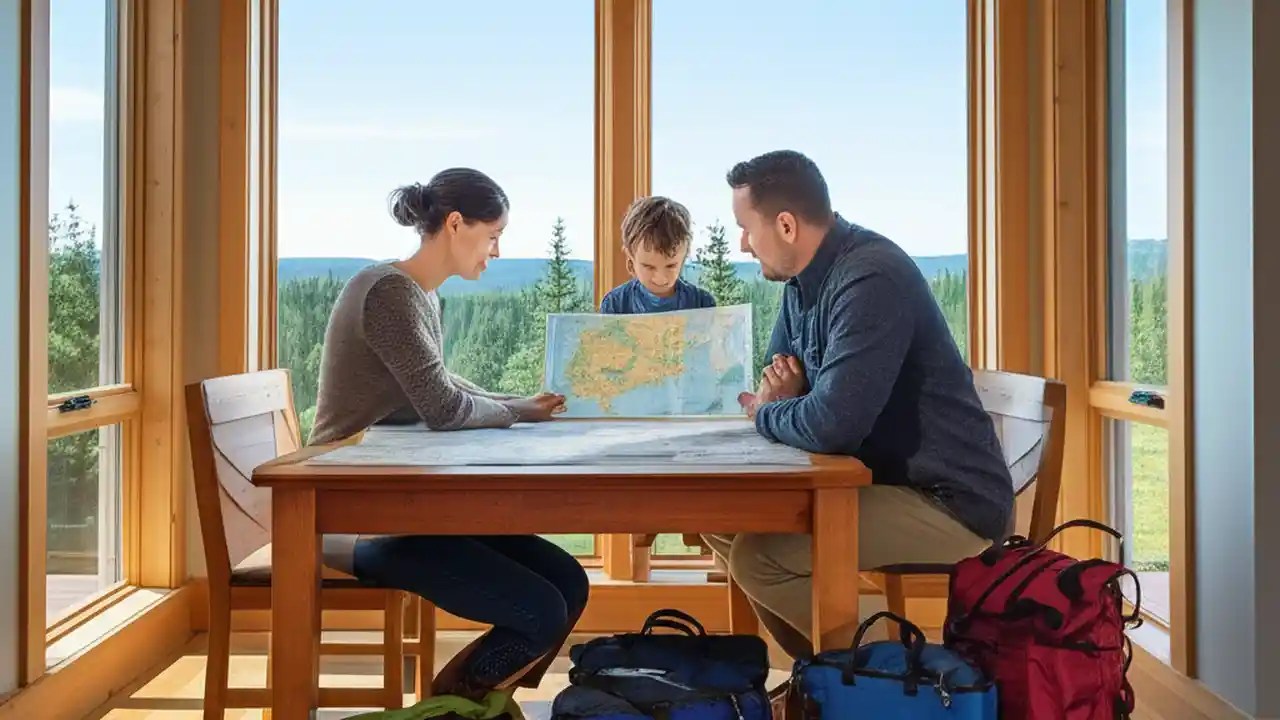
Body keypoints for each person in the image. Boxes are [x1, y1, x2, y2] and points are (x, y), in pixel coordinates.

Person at [702, 150, 1014, 660]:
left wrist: (767, 413)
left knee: (761, 558)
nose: (741, 243)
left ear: (784, 225)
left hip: (947, 503)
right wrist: (790, 401)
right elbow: (776, 377)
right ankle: (825, 682)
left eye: (745, 227)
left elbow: (830, 426)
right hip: (878, 482)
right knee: (721, 515)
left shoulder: (871, 279)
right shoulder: (801, 281)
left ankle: (897, 683)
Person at [309, 168, 589, 697]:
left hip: (404, 504)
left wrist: (519, 405)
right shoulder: (389, 294)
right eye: (493, 236)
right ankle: (447, 709)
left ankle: (480, 705)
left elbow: (447, 384)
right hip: (356, 518)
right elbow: (442, 406)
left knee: (569, 582)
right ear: (456, 225)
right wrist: (518, 413)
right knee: (541, 610)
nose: (497, 252)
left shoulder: (417, 294)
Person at [599, 195, 717, 314]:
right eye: (648, 267)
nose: (660, 278)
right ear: (631, 263)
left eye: (671, 266)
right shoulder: (615, 304)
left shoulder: (702, 304)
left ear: (683, 258)